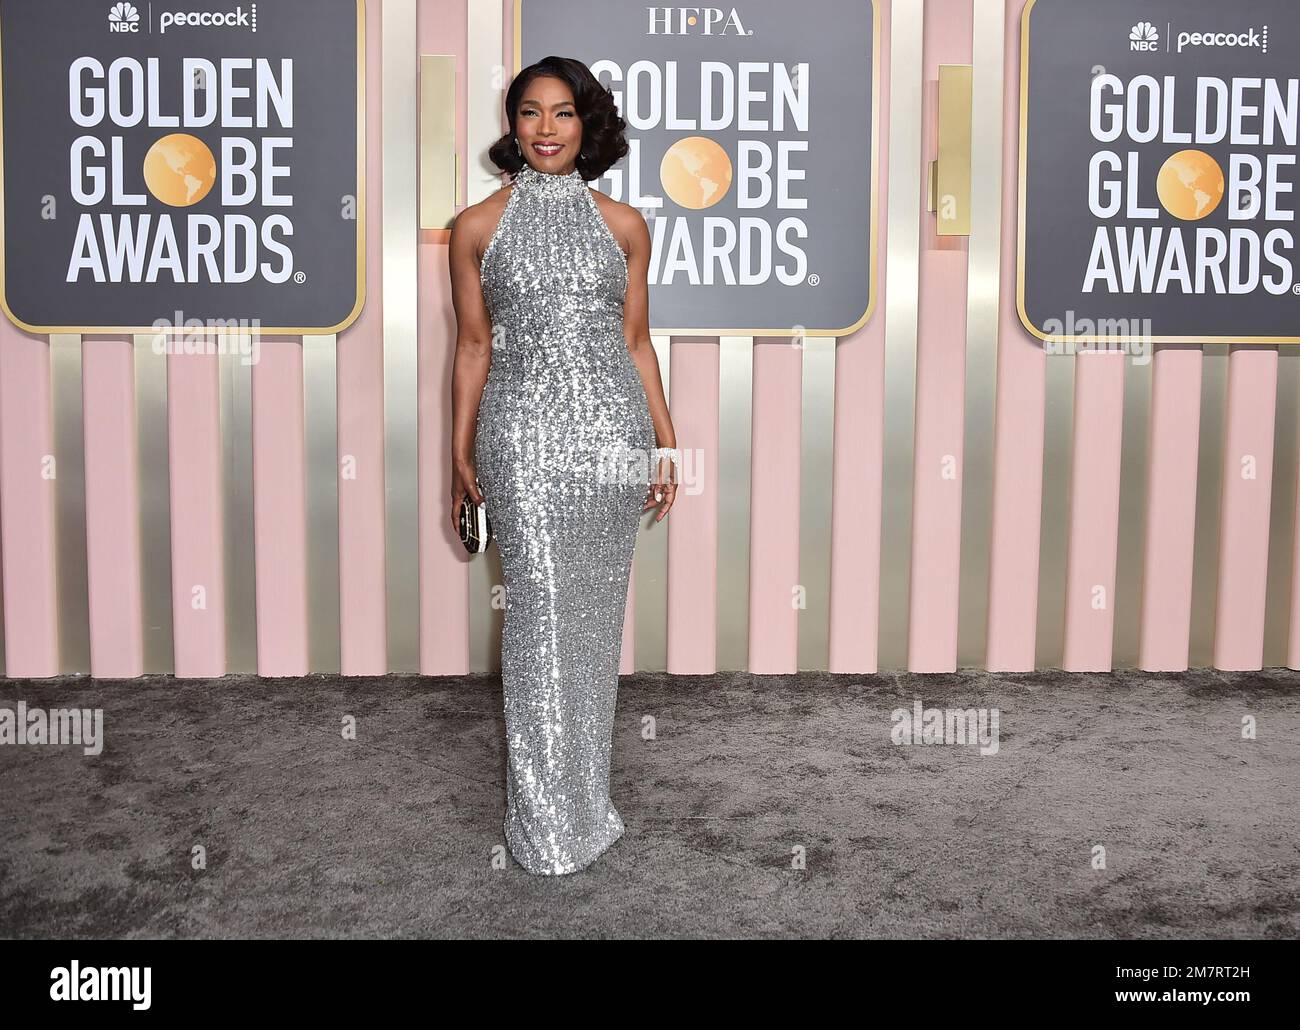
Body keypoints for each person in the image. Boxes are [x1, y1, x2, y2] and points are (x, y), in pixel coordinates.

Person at [448, 56, 677, 875]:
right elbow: (474, 346)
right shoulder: (477, 225)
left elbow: (636, 343)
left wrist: (663, 438)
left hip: (610, 437)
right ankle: (547, 828)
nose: (546, 128)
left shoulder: (624, 224)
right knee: (540, 618)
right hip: (522, 438)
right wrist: (460, 447)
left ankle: (587, 803)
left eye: (564, 113)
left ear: (588, 126)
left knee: (588, 627)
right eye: (530, 112)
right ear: (512, 125)